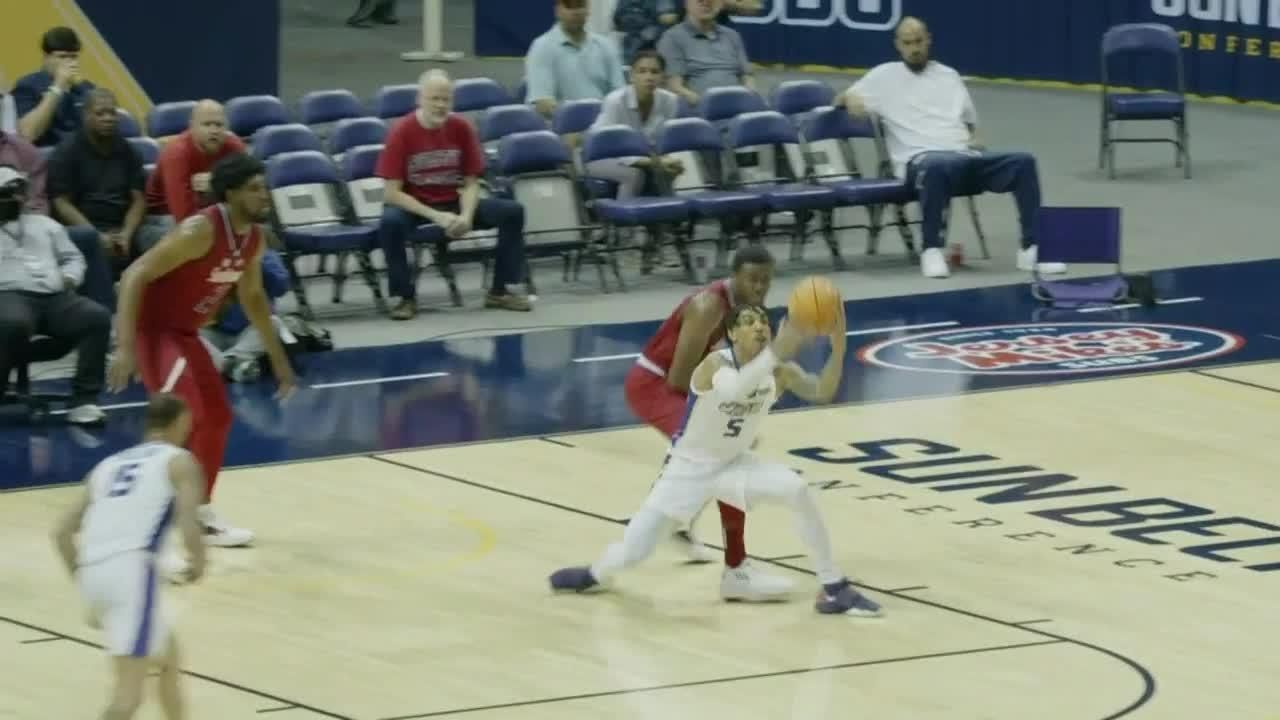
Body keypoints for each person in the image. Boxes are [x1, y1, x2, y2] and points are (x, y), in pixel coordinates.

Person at [550, 302, 882, 617]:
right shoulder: (714, 365)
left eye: (764, 321)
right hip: (687, 470)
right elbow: (735, 390)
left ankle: (833, 587)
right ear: (732, 334)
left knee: (796, 490)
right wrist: (777, 350)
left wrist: (838, 349)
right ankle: (596, 575)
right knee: (634, 552)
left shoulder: (780, 371)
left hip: (733, 465)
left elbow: (822, 391)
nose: (760, 326)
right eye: (749, 321)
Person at [108, 153, 297, 556]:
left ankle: (200, 514)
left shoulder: (254, 239)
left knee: (218, 418)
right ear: (230, 193)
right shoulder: (200, 229)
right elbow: (133, 275)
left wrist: (279, 359)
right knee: (183, 419)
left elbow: (253, 296)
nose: (264, 195)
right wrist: (125, 348)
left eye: (264, 187)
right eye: (254, 189)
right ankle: (150, 529)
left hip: (185, 332)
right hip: (153, 331)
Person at [622, 245, 793, 600]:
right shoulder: (708, 307)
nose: (760, 287)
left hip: (693, 388)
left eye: (766, 280)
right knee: (718, 452)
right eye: (753, 280)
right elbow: (678, 379)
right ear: (735, 277)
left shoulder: (755, 316)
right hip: (654, 383)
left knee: (724, 448)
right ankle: (717, 554)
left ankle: (674, 520)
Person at [840, 17, 1065, 280]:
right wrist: (848, 98)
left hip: (963, 156)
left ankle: (1032, 248)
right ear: (898, 45)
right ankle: (931, 250)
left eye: (919, 42)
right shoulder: (883, 76)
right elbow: (840, 97)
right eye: (908, 43)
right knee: (936, 164)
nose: (914, 48)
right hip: (921, 160)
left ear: (929, 40)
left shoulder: (948, 75)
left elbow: (972, 125)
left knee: (1023, 162)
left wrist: (975, 140)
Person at [51, 392, 207, 720]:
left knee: (168, 658)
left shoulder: (106, 466)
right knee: (128, 697)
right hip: (132, 573)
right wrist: (198, 560)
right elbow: (189, 521)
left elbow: (61, 534)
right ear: (180, 423)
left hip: (92, 571)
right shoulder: (180, 461)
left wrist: (88, 587)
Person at [376, 69, 531, 320]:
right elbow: (391, 194)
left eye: (445, 99)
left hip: (451, 199)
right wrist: (436, 217)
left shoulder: (461, 127)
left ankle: (500, 291)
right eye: (434, 99)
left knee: (512, 212)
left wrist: (467, 216)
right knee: (390, 223)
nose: (440, 105)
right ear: (420, 100)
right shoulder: (401, 132)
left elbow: (471, 182)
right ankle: (404, 297)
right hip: (413, 204)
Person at [0, 164, 111, 424]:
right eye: (8, 193)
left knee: (96, 317)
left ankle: (85, 401)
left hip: (55, 296)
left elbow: (73, 258)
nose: (16, 198)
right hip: (8, 294)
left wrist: (69, 277)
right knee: (14, 323)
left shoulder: (45, 224)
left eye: (19, 192)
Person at [587, 49, 685, 200]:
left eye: (654, 72)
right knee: (633, 175)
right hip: (601, 156)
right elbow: (610, 147)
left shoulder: (670, 101)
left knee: (667, 170)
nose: (649, 77)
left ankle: (667, 219)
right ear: (632, 76)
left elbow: (663, 142)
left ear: (663, 77)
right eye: (642, 71)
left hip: (644, 156)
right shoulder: (615, 101)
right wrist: (655, 162)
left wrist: (669, 161)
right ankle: (625, 221)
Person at [145, 99, 247, 223]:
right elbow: (184, 218)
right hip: (163, 214)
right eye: (207, 124)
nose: (214, 131)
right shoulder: (176, 153)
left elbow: (251, 189)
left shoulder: (234, 145)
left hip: (206, 208)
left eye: (219, 125)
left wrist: (217, 181)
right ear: (192, 127)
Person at [525, 0, 627, 119]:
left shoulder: (606, 46)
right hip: (561, 127)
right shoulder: (541, 47)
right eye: (569, 7)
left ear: (588, 10)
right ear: (557, 11)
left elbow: (619, 96)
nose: (575, 12)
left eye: (580, 6)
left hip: (602, 125)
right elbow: (542, 103)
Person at [657, 0, 756, 108]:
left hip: (738, 109)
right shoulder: (671, 38)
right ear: (686, 3)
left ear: (721, 4)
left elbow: (747, 76)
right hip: (700, 114)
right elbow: (674, 87)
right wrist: (710, 105)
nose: (706, 2)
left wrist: (748, 98)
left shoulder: (732, 36)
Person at [11, 27, 96, 148]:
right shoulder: (27, 86)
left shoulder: (85, 88)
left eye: (73, 57)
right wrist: (58, 86)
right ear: (46, 57)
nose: (69, 63)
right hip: (49, 157)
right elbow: (27, 135)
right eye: (62, 57)